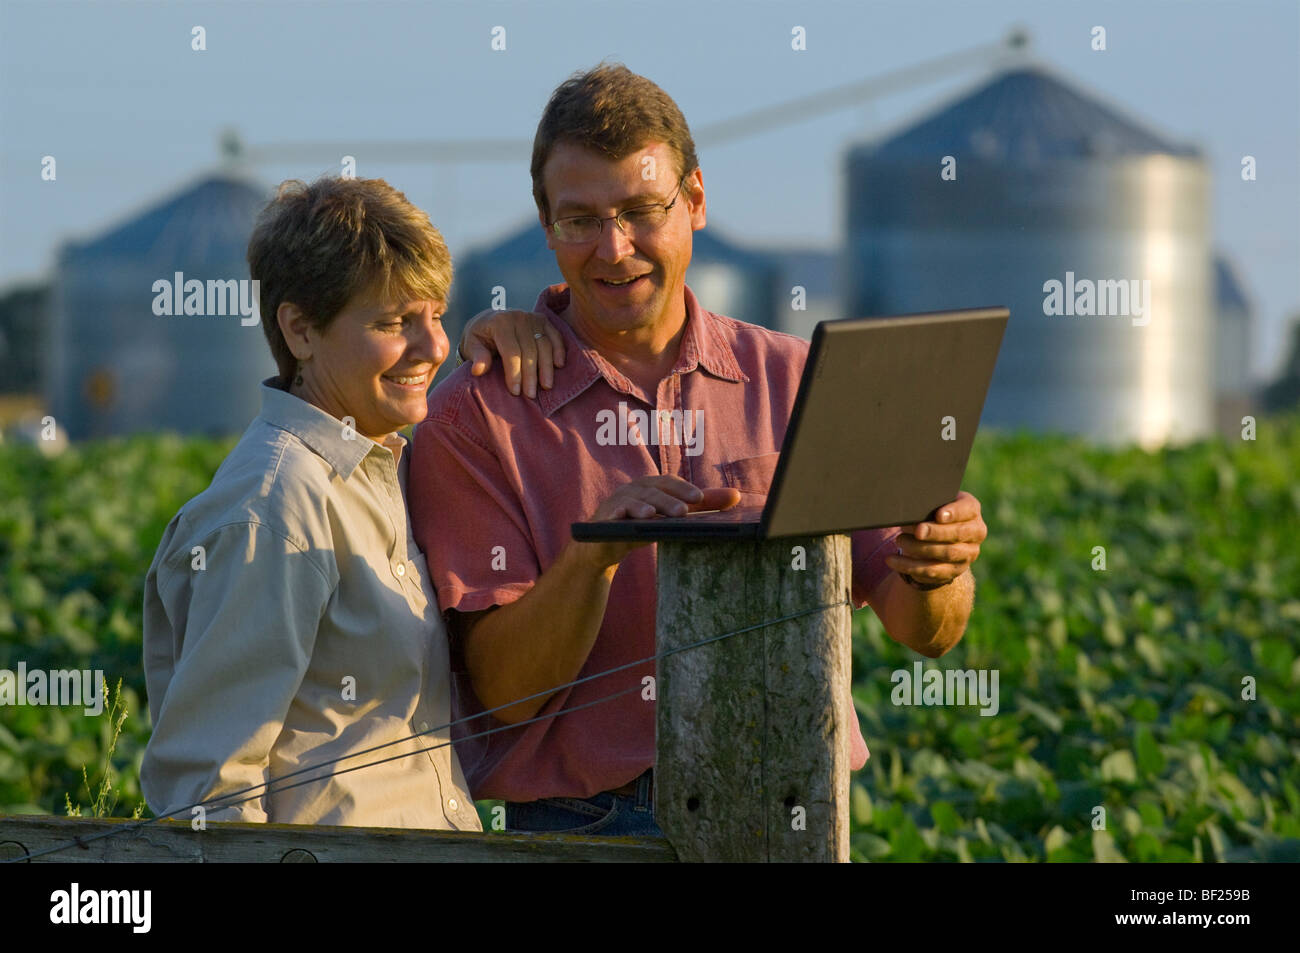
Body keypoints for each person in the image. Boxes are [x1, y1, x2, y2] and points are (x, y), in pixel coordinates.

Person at [413, 65, 988, 837]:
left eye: (641, 210)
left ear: (696, 202)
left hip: (793, 805)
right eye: (580, 220)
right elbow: (506, 692)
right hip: (584, 825)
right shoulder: (474, 414)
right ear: (547, 226)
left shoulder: (801, 379)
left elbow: (928, 629)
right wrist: (594, 557)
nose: (613, 250)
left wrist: (938, 561)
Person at [140, 175, 563, 828]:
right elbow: (209, 793)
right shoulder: (274, 509)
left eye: (438, 315)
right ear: (300, 330)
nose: (434, 346)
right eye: (395, 322)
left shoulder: (382, 466)